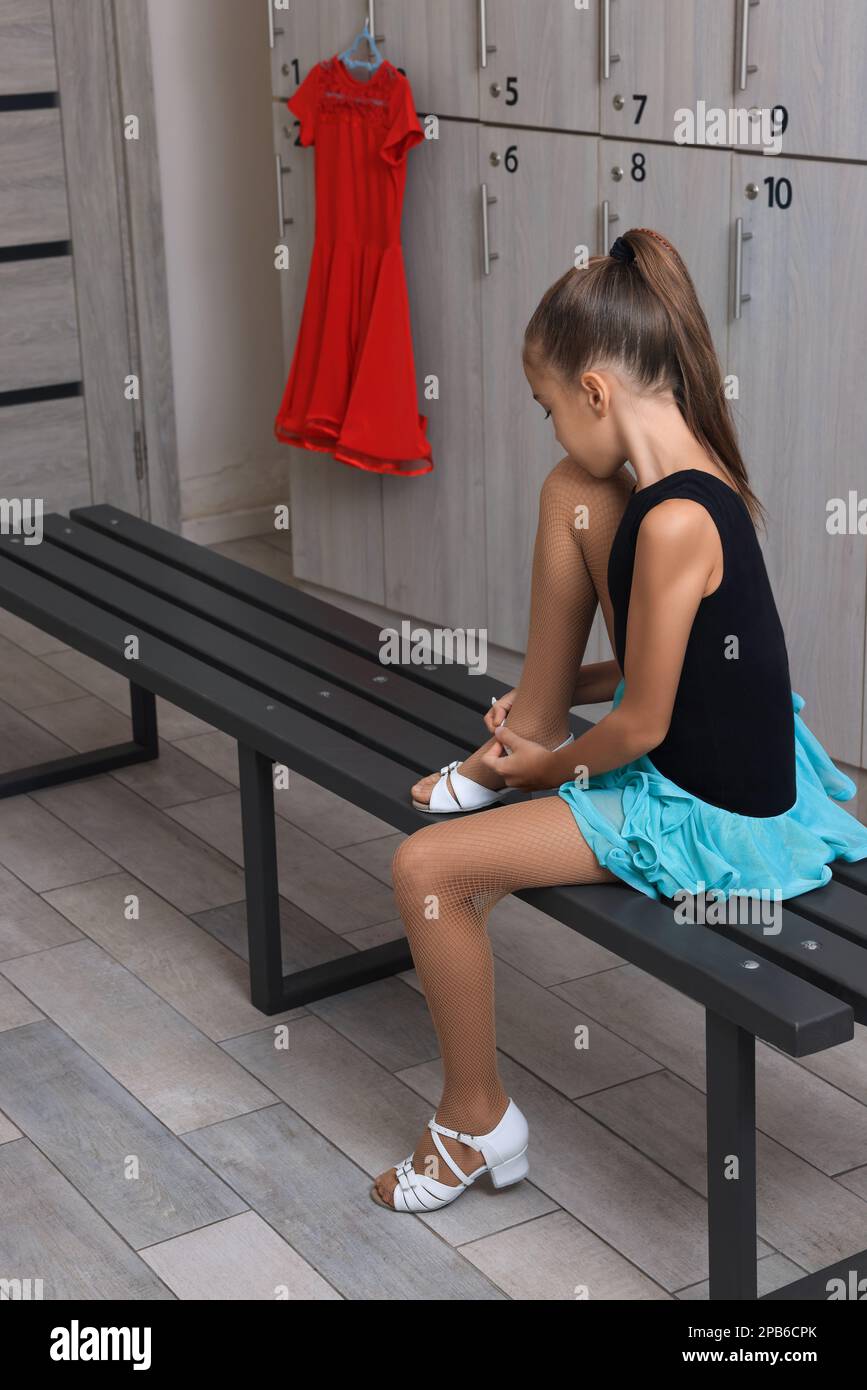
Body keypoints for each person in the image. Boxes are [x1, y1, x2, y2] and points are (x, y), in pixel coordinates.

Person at [370, 229, 867, 1212]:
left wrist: (538, 776)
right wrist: (559, 710)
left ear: (595, 392)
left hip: (707, 814)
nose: (553, 427)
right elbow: (658, 669)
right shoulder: (673, 485)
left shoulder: (678, 520)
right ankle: (534, 725)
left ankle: (476, 1123)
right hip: (702, 749)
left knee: (425, 871)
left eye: (550, 406)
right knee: (572, 494)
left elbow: (642, 726)